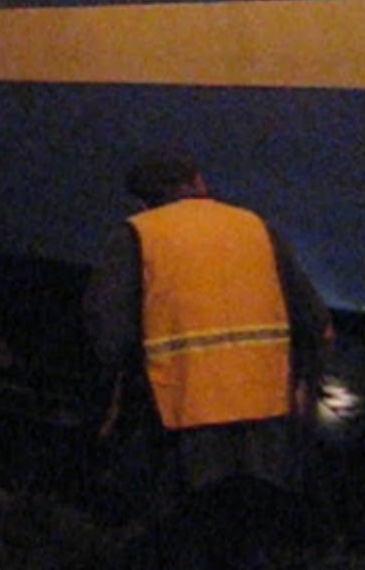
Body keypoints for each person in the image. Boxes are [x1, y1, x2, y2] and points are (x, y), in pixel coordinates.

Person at [85, 149, 333, 569]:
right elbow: (316, 322)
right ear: (198, 183)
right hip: (265, 425)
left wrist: (114, 403)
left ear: (142, 202)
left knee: (184, 538)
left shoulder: (137, 235)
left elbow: (107, 331)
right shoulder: (256, 227)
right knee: (246, 537)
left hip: (184, 426)